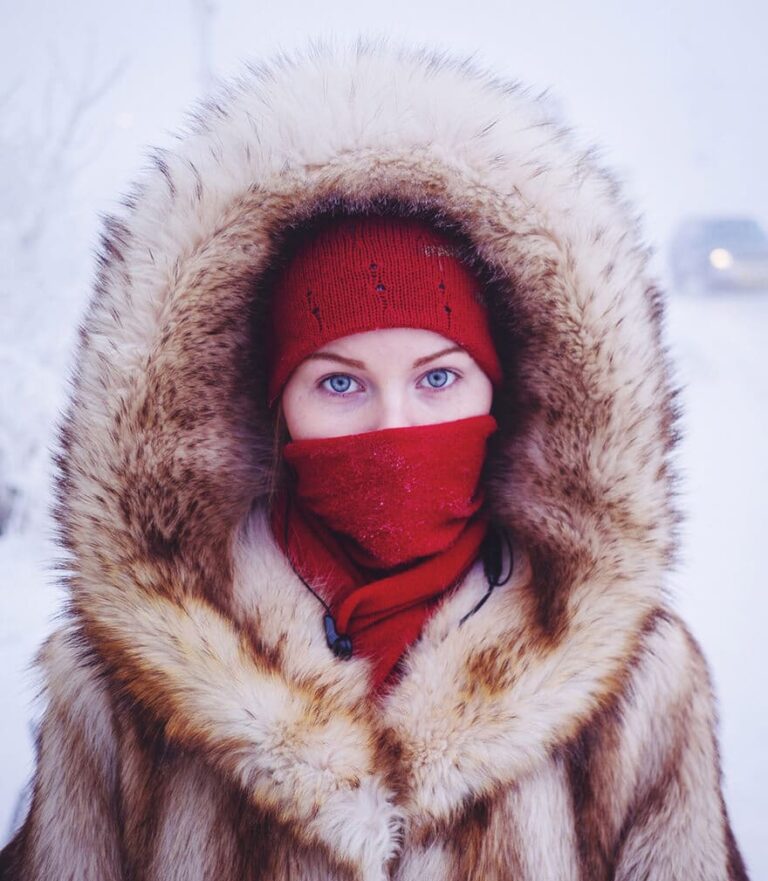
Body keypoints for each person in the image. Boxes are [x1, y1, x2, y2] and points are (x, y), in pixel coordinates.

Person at [0, 38, 748, 881]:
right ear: (273, 404)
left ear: (500, 394)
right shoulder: (123, 686)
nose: (397, 425)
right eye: (340, 382)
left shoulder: (635, 685)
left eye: (438, 376)